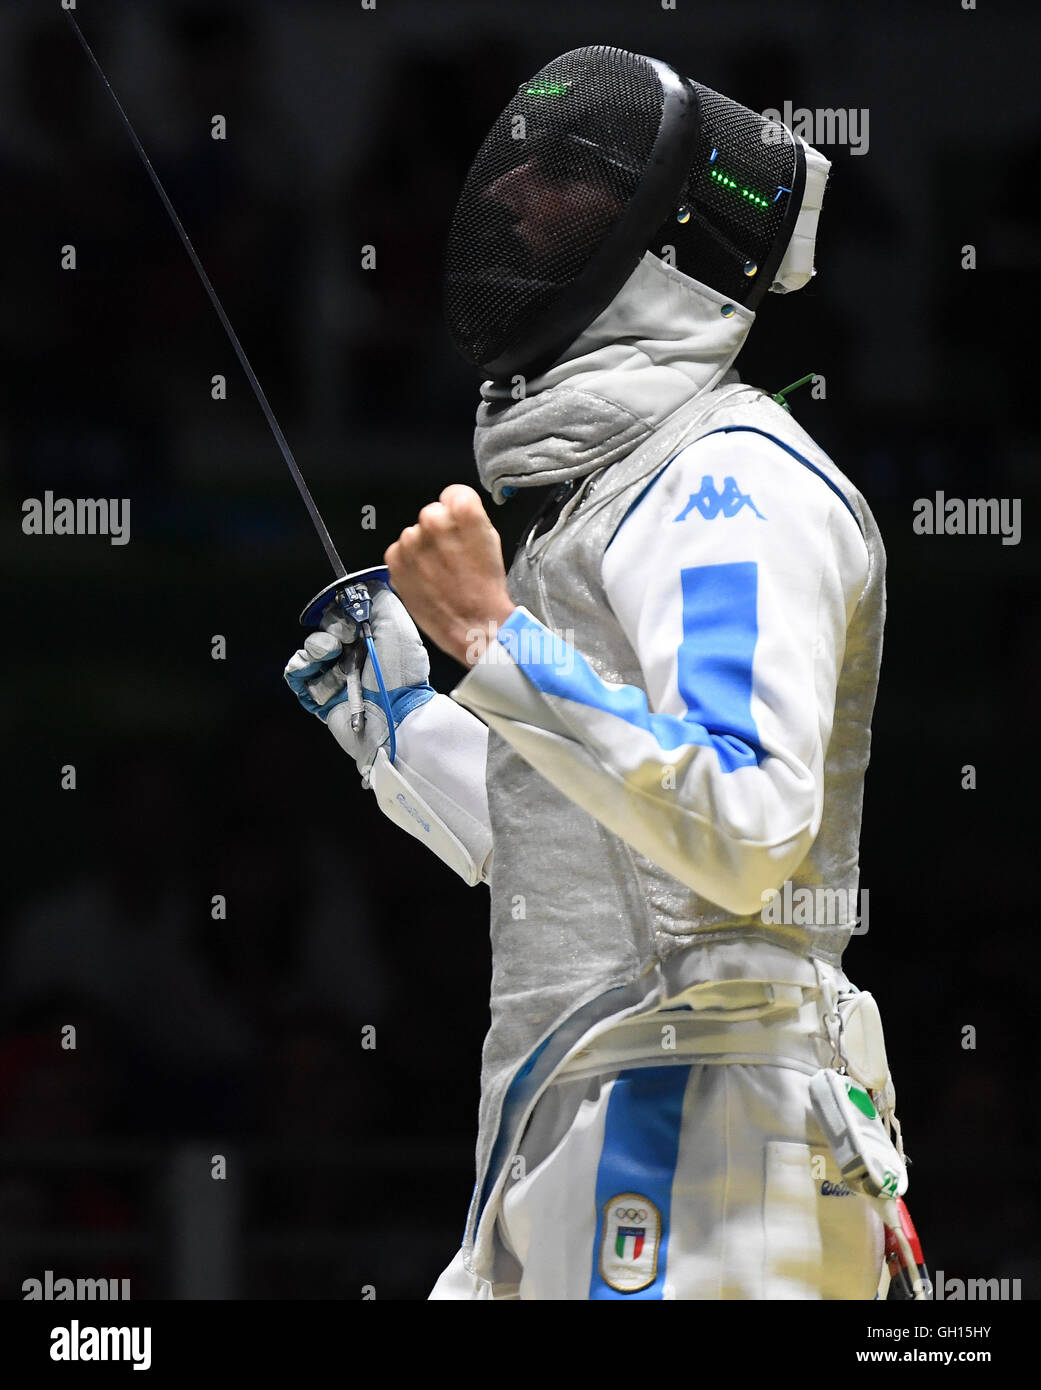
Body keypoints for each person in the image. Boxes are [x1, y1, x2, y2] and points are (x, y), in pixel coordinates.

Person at [285, 46, 911, 1300]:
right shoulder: (612, 499)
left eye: (566, 176)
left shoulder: (729, 484)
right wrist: (400, 720)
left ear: (670, 238)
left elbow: (741, 818)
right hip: (592, 1108)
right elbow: (591, 847)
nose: (512, 197)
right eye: (515, 167)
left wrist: (494, 640)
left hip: (711, 1135)